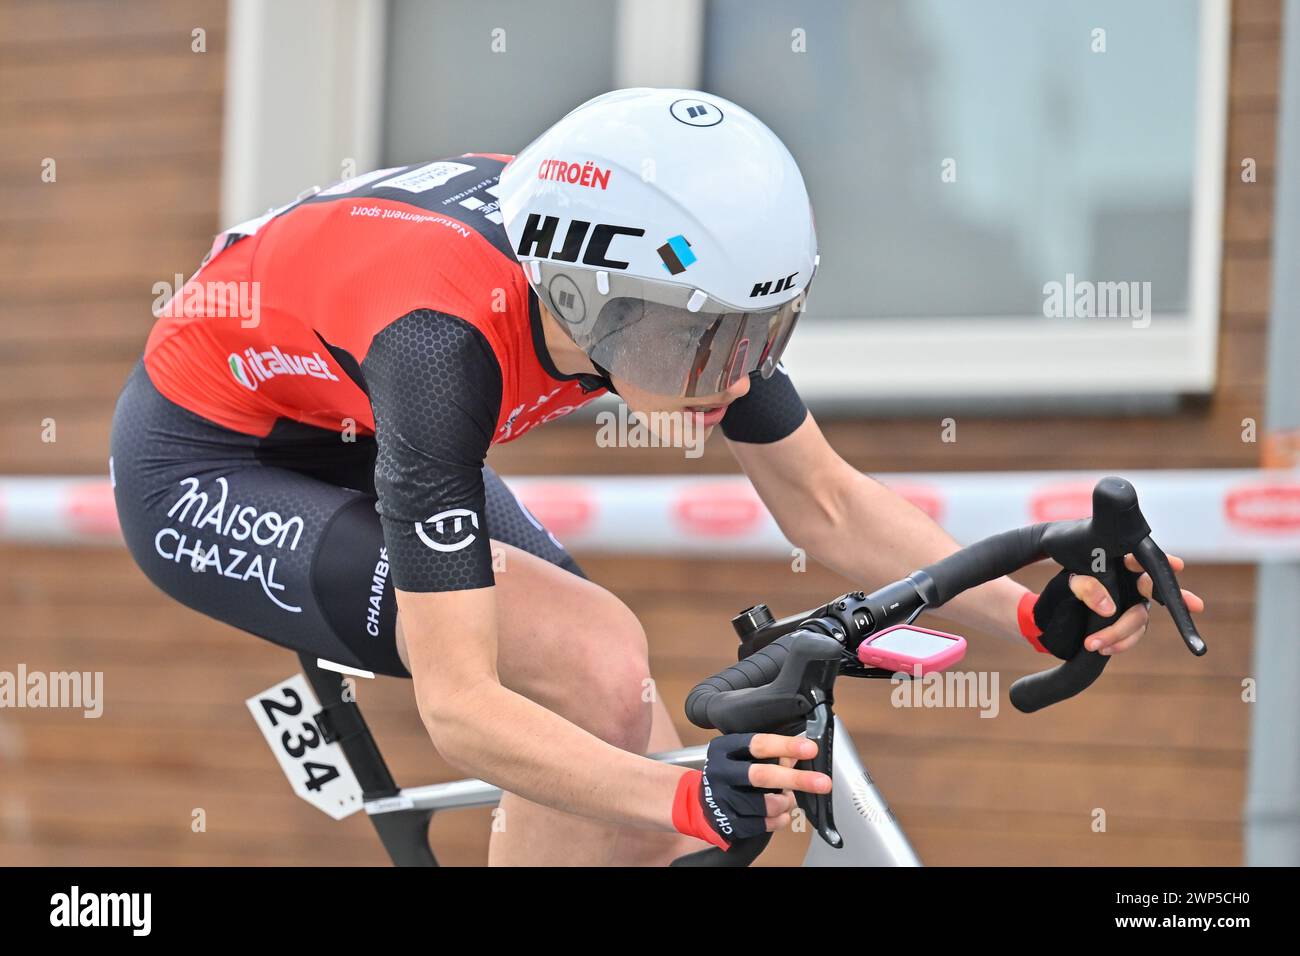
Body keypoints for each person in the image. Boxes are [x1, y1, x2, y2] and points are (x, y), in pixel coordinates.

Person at [110, 88, 1201, 865]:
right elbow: (464, 706)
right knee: (593, 666)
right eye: (707, 347)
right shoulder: (443, 349)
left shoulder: (672, 293)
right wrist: (692, 791)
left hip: (353, 411)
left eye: (759, 336)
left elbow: (823, 499)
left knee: (625, 769)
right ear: (586, 298)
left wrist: (1034, 614)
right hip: (213, 458)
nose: (729, 377)